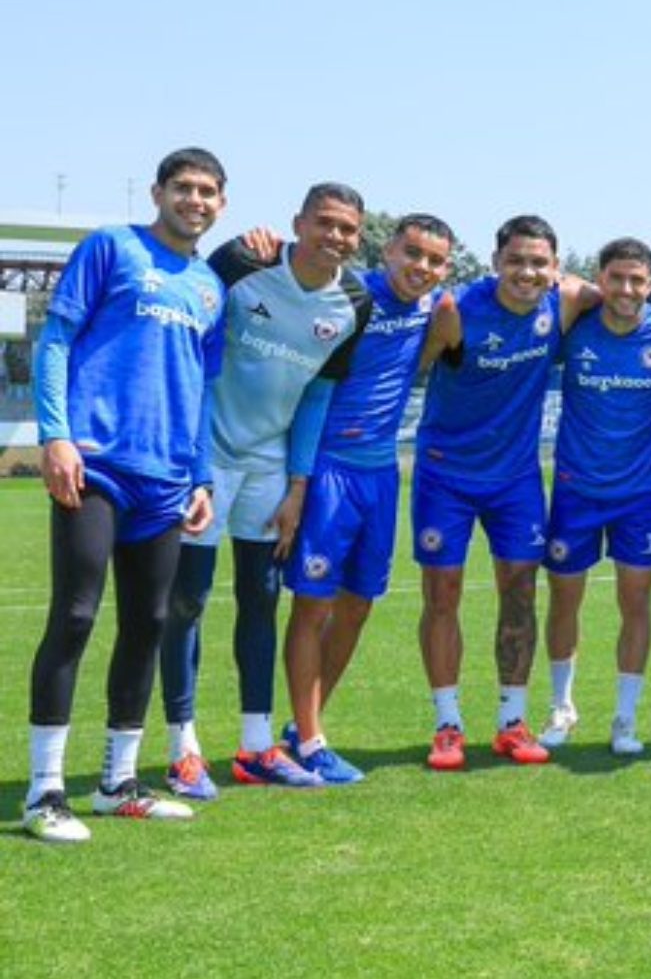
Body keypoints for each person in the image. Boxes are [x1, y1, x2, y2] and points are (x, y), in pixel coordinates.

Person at [22, 147, 229, 842]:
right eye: (183, 187)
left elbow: (203, 390)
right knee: (77, 614)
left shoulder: (210, 289)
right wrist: (56, 434)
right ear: (158, 192)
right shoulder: (111, 247)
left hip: (166, 480)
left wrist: (200, 475)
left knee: (148, 623)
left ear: (221, 204)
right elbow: (57, 339)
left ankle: (118, 784)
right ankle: (44, 793)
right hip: (96, 465)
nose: (194, 200)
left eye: (207, 191)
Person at [159, 182, 374, 796]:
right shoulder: (242, 262)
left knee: (261, 600)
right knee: (188, 601)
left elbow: (317, 397)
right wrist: (195, 468)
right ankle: (183, 751)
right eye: (325, 222)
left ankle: (256, 748)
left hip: (268, 467)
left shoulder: (353, 301)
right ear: (298, 223)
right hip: (205, 459)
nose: (335, 236)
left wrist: (298, 485)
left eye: (348, 229)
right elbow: (192, 351)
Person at [280, 214, 456, 783]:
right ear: (388, 253)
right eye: (413, 254)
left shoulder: (434, 309)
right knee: (313, 605)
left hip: (381, 474)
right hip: (328, 468)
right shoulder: (350, 296)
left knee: (358, 604)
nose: (421, 267)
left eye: (435, 260)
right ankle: (311, 742)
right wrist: (299, 479)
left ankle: (303, 729)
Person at [414, 215, 593, 771]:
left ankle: (512, 722)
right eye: (515, 261)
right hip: (446, 475)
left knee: (520, 593)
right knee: (442, 595)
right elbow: (413, 367)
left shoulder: (565, 302)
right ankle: (447, 725)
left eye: (539, 262)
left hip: (515, 478)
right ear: (495, 263)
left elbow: (630, 289)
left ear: (555, 267)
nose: (526, 272)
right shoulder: (457, 311)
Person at [538, 237, 651, 757]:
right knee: (564, 600)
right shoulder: (574, 328)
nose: (626, 289)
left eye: (637, 280)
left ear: (650, 284)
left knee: (635, 602)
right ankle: (561, 707)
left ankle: (625, 718)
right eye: (616, 278)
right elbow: (558, 290)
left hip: (638, 496)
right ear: (600, 279)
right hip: (576, 492)